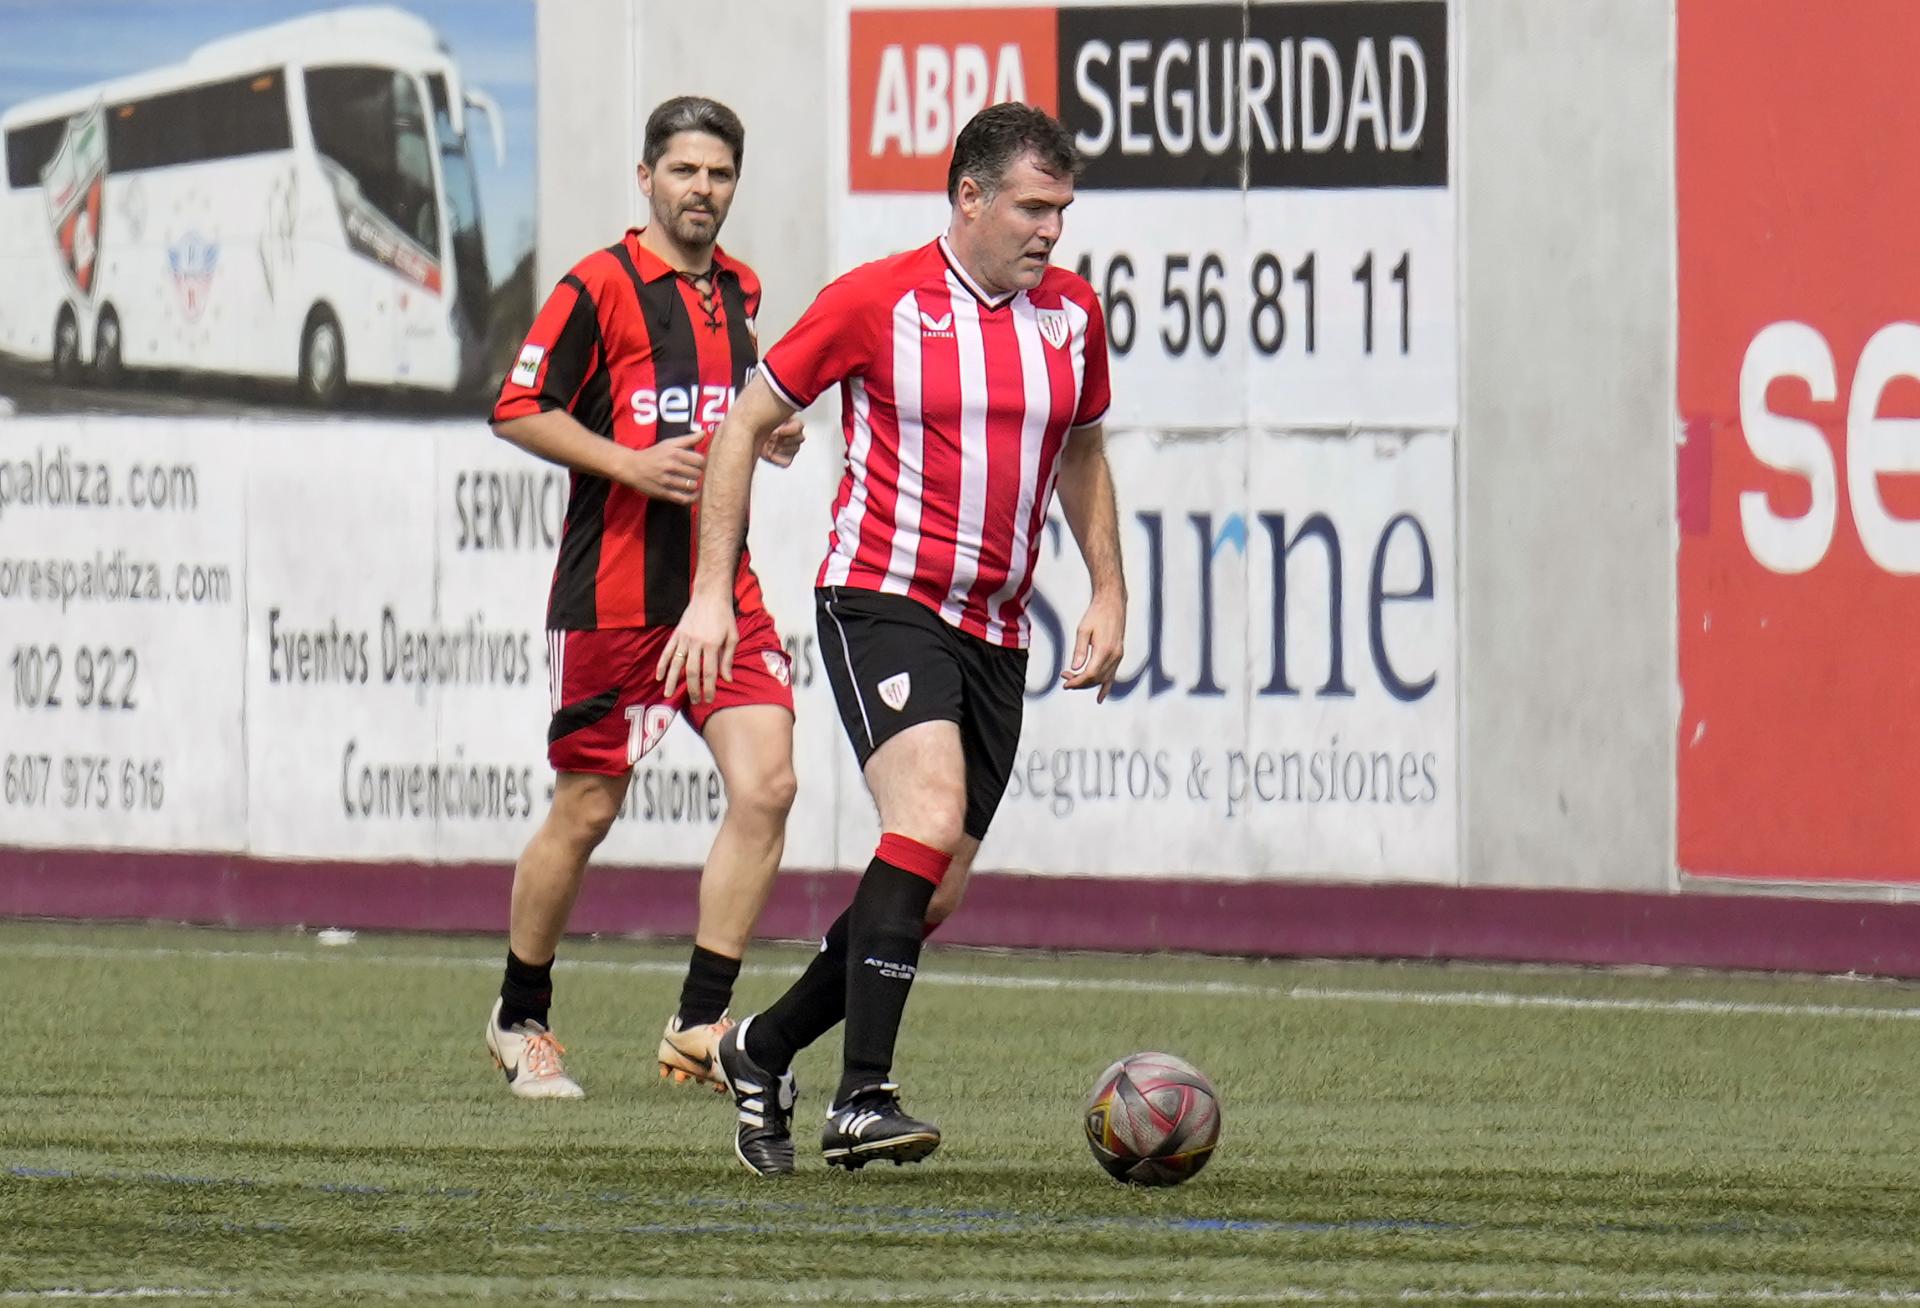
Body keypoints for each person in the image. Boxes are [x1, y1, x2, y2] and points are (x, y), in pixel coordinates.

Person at [659, 103, 1126, 1173]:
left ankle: (761, 1048)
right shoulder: (880, 300)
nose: (1052, 230)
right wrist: (712, 592)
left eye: (1062, 210)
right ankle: (860, 1096)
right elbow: (744, 421)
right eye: (1033, 207)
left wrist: (1109, 588)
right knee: (926, 812)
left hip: (996, 630)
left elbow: (1084, 450)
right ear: (969, 198)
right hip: (882, 597)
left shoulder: (1073, 316)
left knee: (932, 886)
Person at [481, 96, 805, 1100]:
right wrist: (626, 460)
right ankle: (519, 1017)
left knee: (769, 786)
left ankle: (698, 1025)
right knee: (586, 811)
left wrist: (772, 436)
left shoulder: (740, 290)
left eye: (718, 174)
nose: (701, 189)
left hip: (719, 591)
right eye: (684, 171)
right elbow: (515, 407)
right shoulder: (598, 286)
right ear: (646, 178)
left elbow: (747, 418)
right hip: (612, 597)